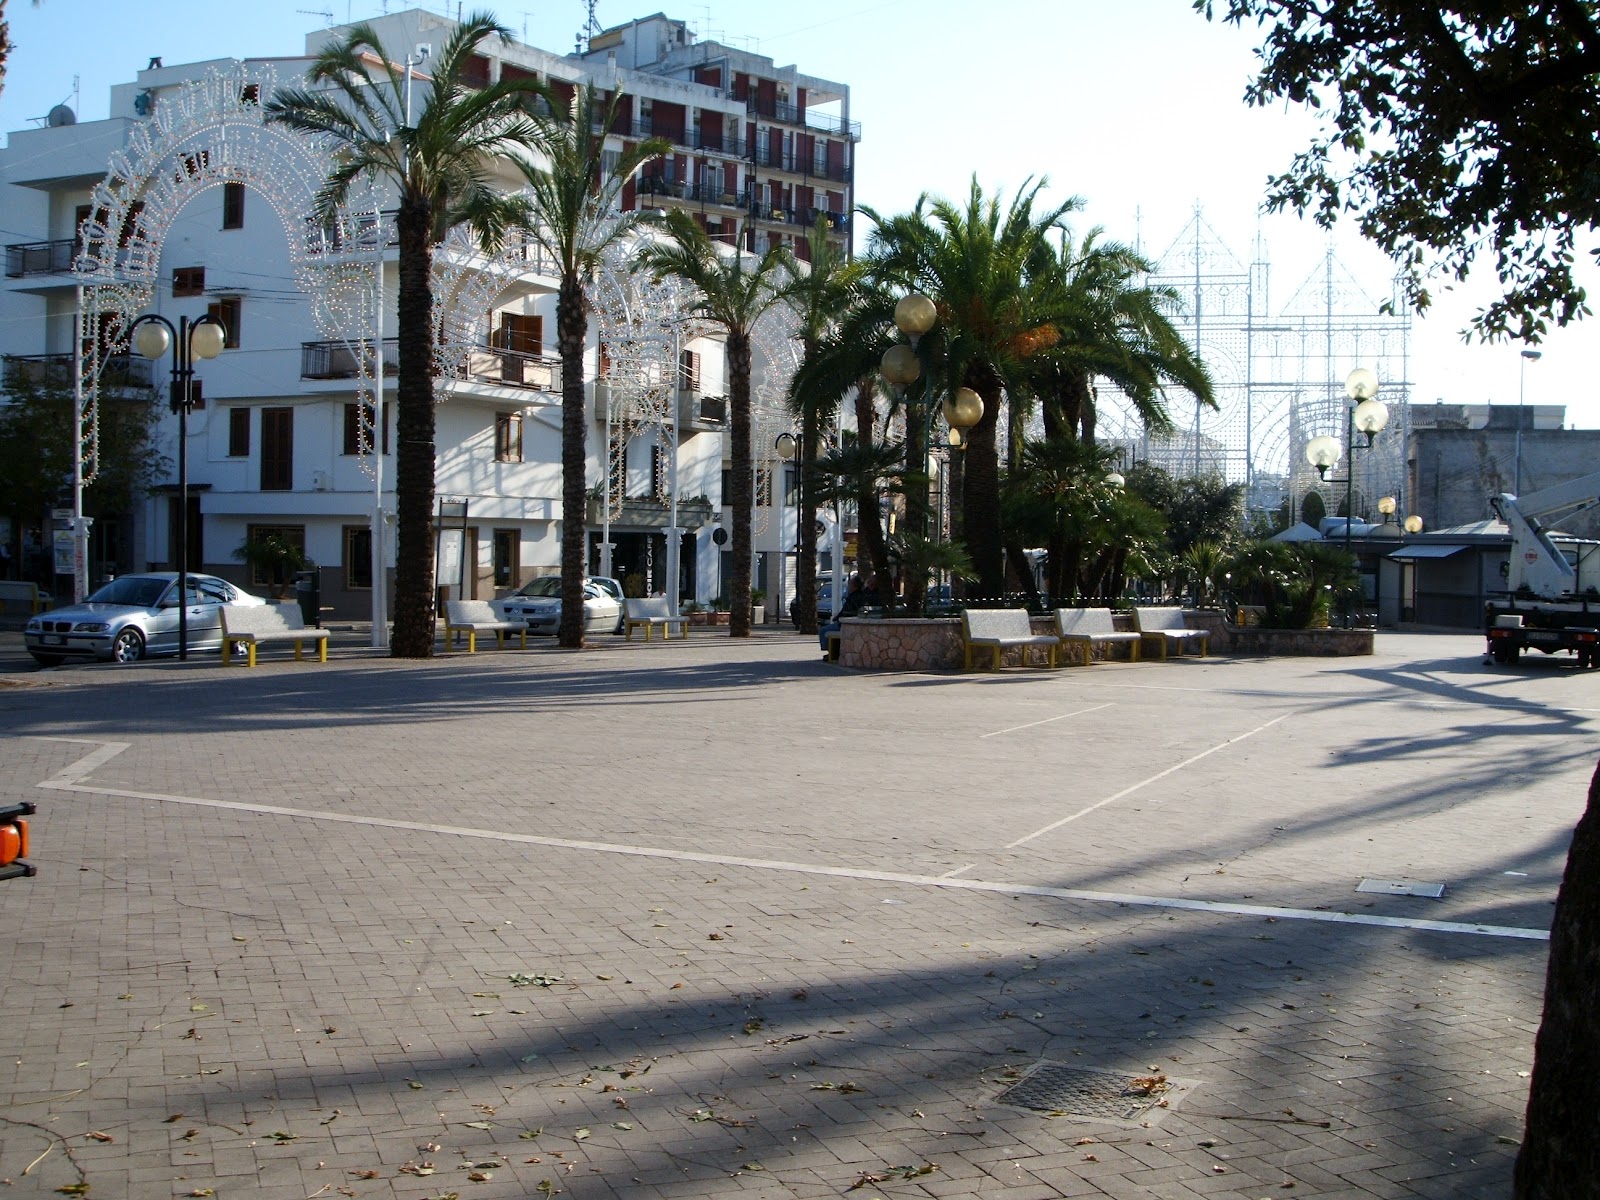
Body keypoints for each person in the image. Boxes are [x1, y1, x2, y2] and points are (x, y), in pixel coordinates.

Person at [818, 573, 866, 653]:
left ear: (854, 585)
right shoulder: (861, 595)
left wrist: (838, 618)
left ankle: (830, 651)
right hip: (849, 623)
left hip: (846, 624)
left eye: (850, 584)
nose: (848, 586)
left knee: (823, 630)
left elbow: (847, 611)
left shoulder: (854, 597)